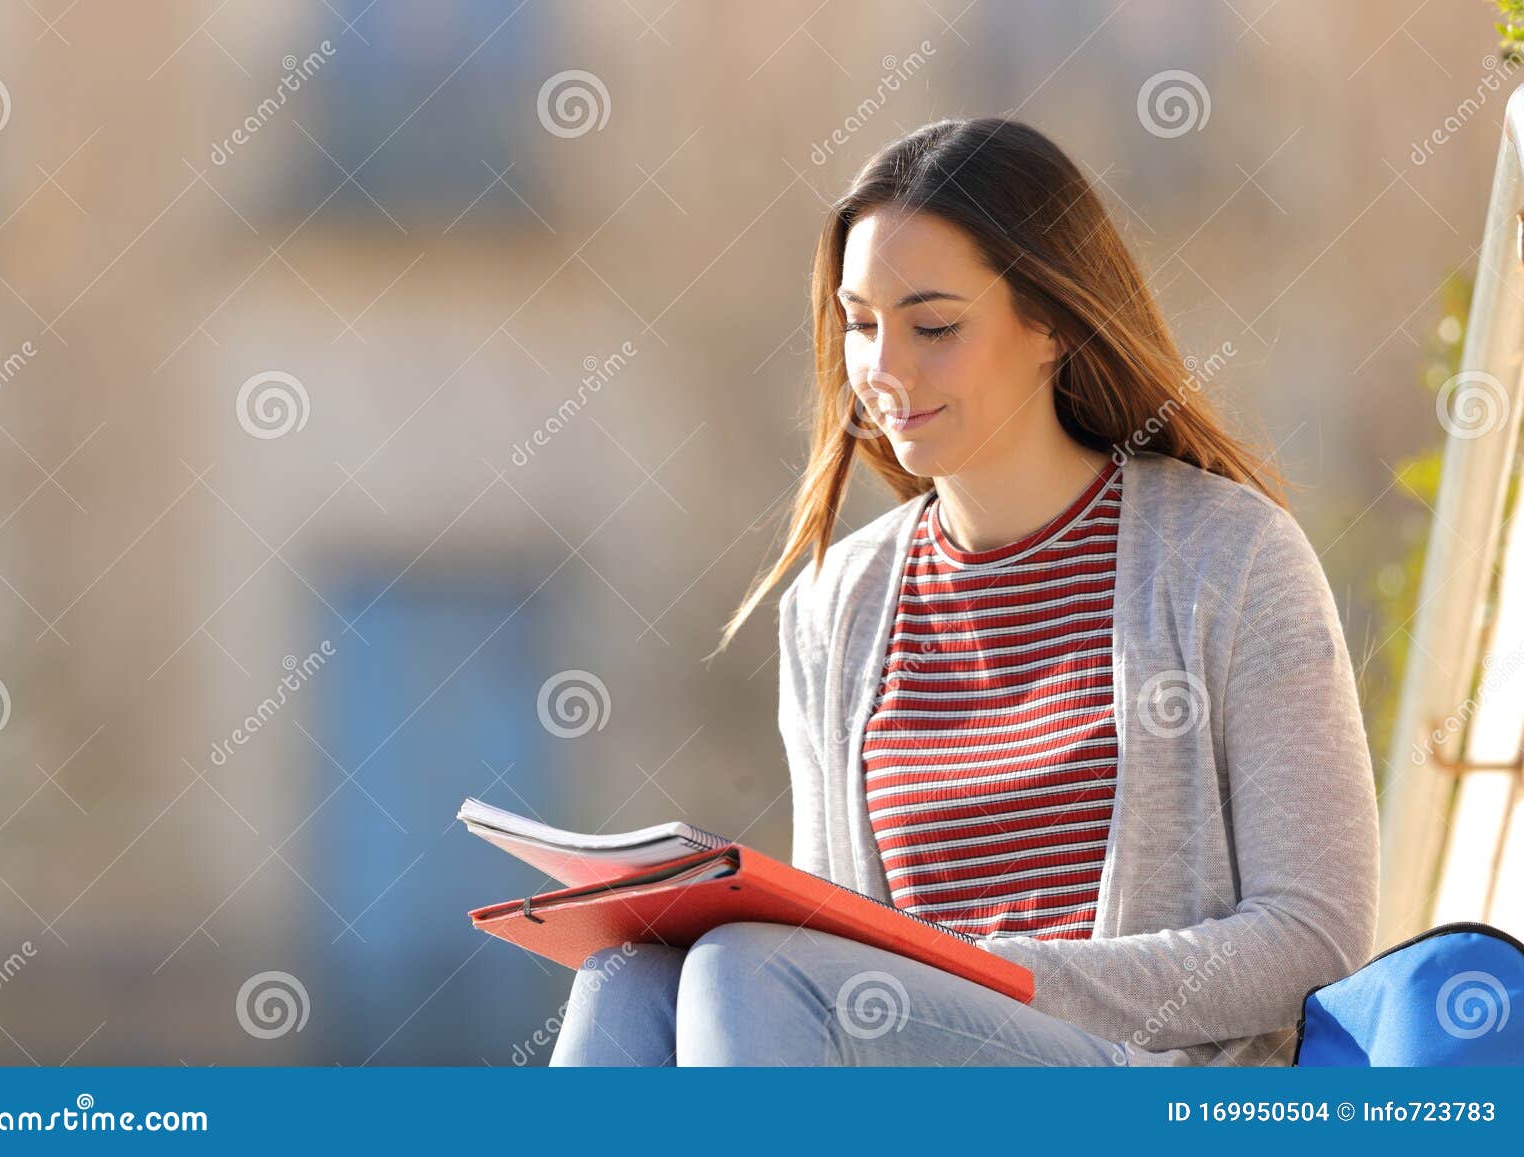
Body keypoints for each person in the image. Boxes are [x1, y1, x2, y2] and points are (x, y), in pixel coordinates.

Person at [549, 115, 1380, 1067]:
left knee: (749, 969)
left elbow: (1314, 937)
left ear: (1053, 324)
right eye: (861, 324)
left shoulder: (1230, 557)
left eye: (933, 326)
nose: (884, 371)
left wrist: (995, 973)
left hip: (1145, 1082)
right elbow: (822, 952)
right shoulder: (835, 609)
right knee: (631, 973)